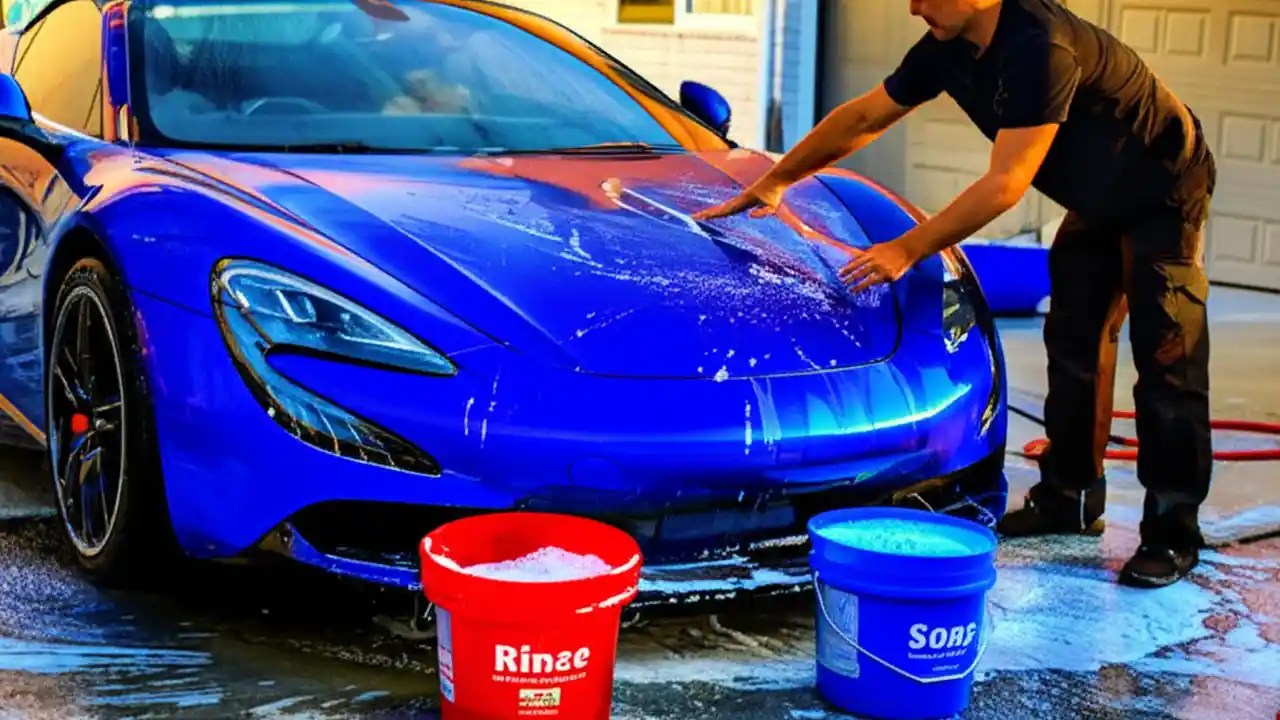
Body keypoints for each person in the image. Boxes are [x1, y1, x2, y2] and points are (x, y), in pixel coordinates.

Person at [693, 0, 1216, 589]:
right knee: (1073, 337)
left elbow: (1005, 184)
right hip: (1096, 193)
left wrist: (906, 248)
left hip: (1163, 182)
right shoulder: (948, 45)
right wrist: (777, 180)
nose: (914, 8)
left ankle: (1174, 531)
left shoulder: (1041, 46)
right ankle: (1069, 495)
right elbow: (865, 116)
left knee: (1168, 353)